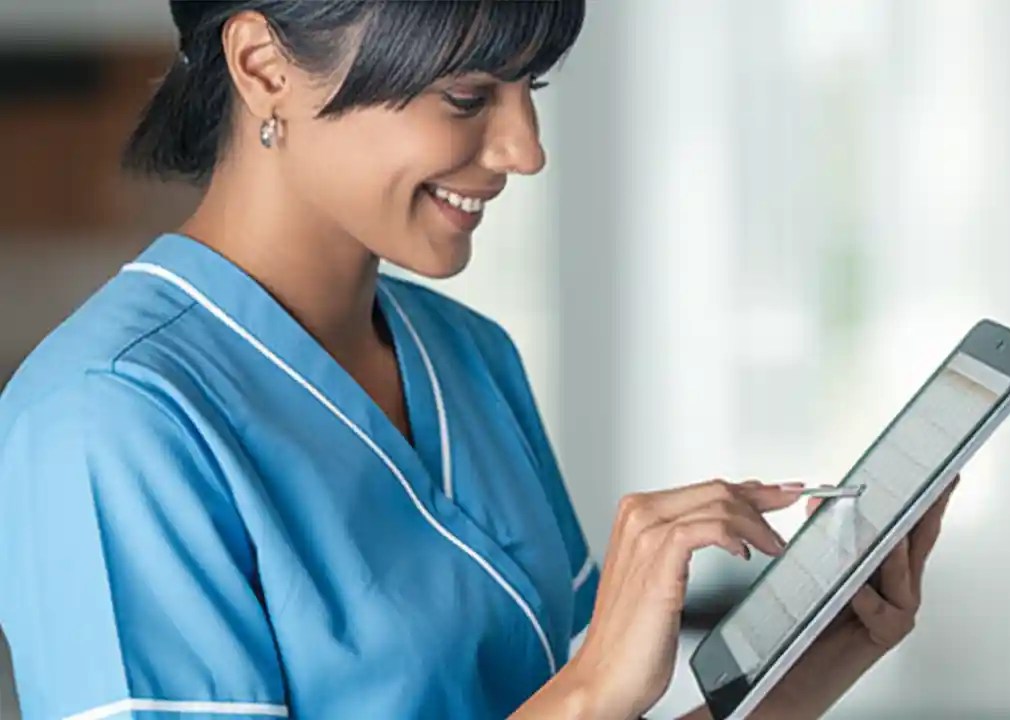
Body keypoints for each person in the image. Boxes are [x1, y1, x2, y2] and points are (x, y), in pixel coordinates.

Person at [0, 2, 954, 719]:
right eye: (467, 96)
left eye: (527, 93)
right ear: (263, 66)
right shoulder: (106, 420)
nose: (524, 150)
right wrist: (584, 694)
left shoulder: (469, 356)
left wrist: (815, 661)